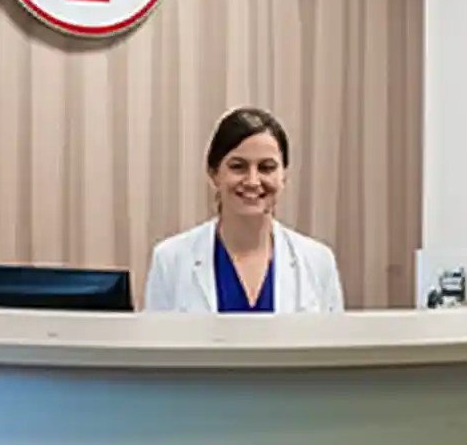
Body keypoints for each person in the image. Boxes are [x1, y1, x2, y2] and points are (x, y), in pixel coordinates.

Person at [144, 107, 344, 313]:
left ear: (283, 175)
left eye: (266, 167)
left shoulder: (318, 261)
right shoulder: (170, 260)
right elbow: (157, 344)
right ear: (214, 174)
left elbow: (334, 343)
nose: (252, 181)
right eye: (238, 166)